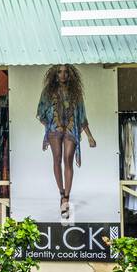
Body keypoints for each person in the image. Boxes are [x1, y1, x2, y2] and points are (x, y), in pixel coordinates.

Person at [37, 65, 97, 220]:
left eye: (65, 72)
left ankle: (66, 198)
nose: (62, 75)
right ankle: (61, 192)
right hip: (54, 129)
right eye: (59, 72)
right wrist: (49, 127)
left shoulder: (76, 94)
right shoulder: (48, 92)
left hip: (71, 128)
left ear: (70, 75)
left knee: (68, 159)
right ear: (55, 75)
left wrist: (89, 136)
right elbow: (41, 112)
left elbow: (82, 116)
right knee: (57, 158)